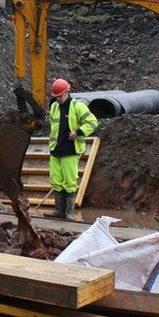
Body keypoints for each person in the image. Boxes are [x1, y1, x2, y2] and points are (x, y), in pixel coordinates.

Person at [46, 78, 98, 220]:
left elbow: (93, 122)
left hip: (70, 150)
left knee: (70, 182)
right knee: (56, 181)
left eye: (60, 96)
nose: (58, 99)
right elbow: (53, 128)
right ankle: (59, 211)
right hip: (56, 150)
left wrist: (78, 132)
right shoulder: (55, 107)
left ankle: (69, 213)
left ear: (67, 92)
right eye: (55, 97)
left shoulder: (77, 106)